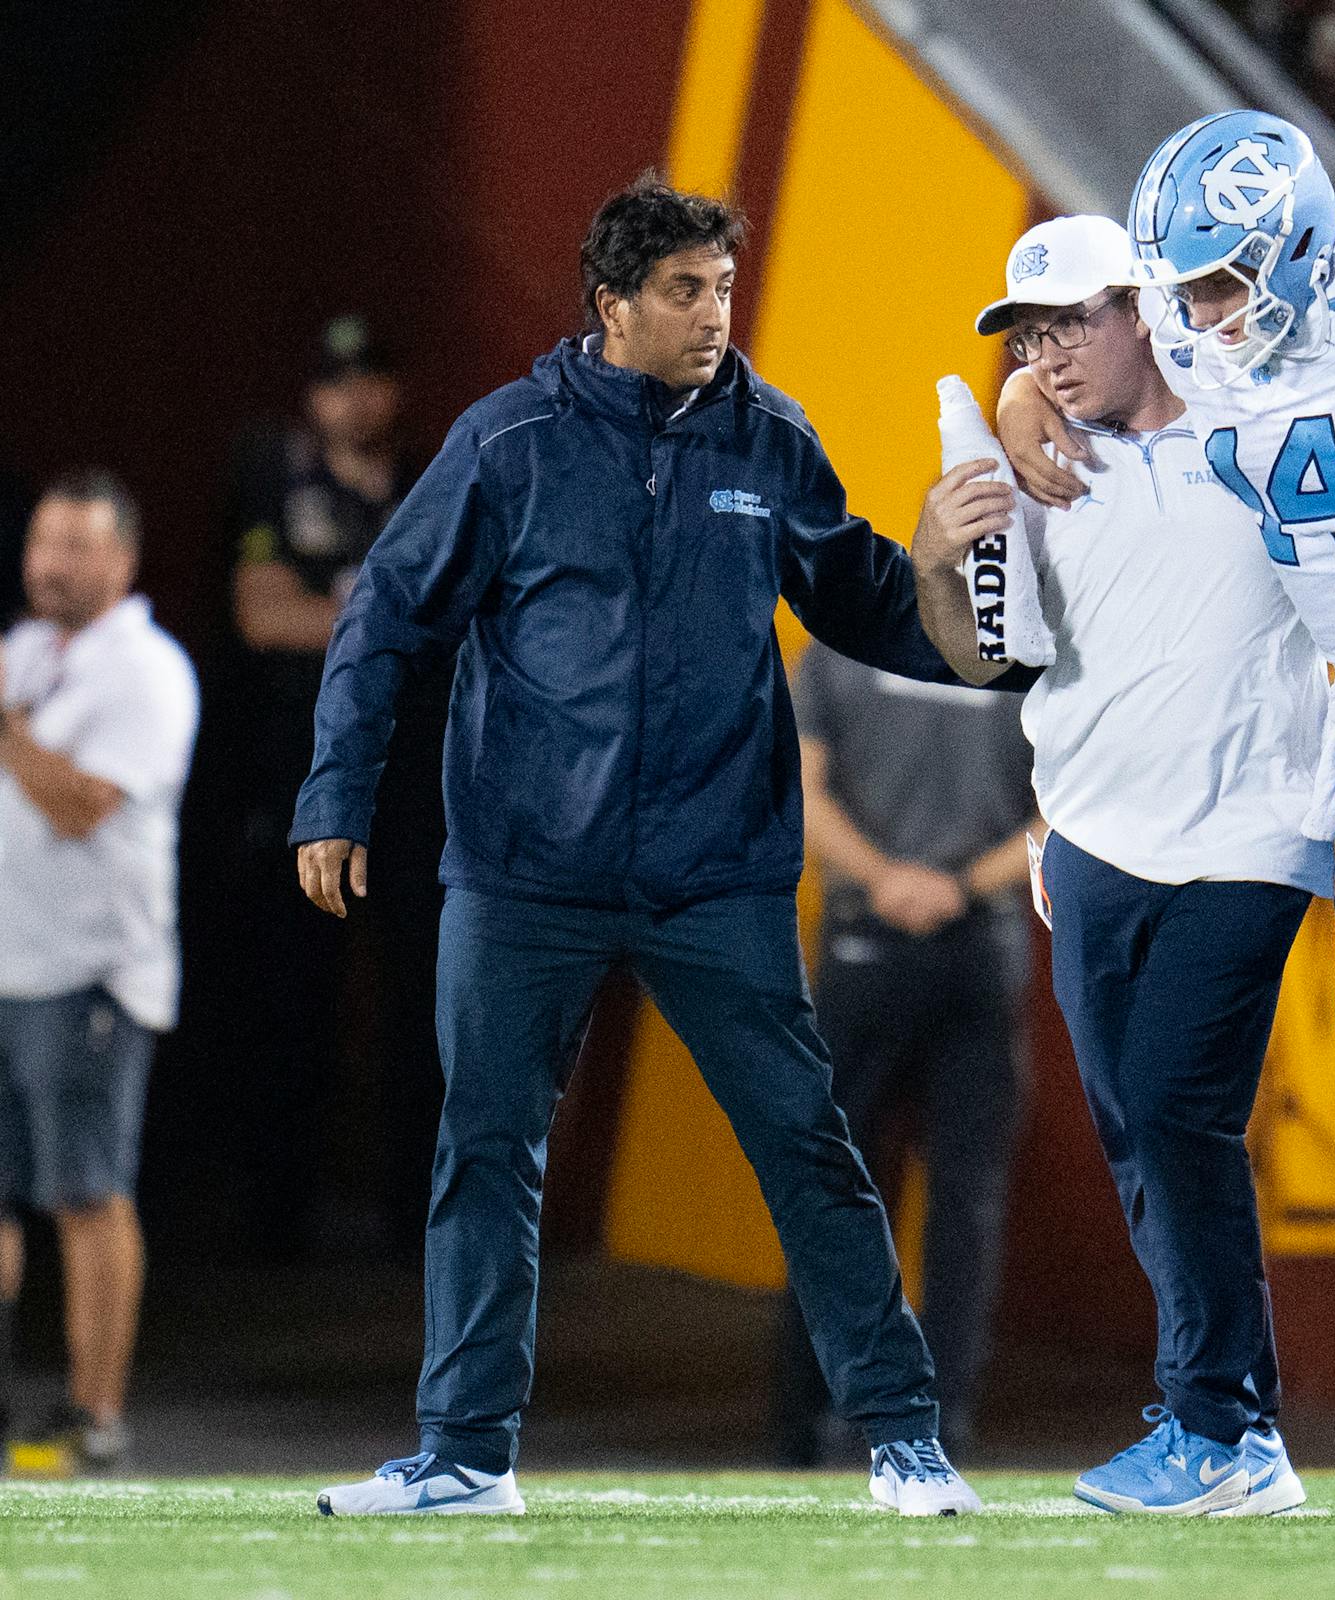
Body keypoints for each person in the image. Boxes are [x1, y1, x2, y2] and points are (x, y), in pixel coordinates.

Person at [296, 174, 984, 1518]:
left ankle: (904, 1440)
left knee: (805, 1142)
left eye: (723, 287)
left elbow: (870, 606)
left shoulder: (771, 440)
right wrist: (336, 795)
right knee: (487, 1151)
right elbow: (383, 615)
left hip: (713, 873)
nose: (714, 313)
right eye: (684, 291)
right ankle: (464, 1459)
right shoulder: (508, 445)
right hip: (522, 872)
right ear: (611, 306)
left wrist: (963, 594)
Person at [998, 111, 1335, 1265]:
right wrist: (1026, 397)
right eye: (1183, 290)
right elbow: (1106, 356)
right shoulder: (1186, 334)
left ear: (1296, 247)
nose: (1200, 315)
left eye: (1223, 283)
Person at [914, 215, 1329, 1516]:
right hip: (1088, 838)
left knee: (1176, 1112)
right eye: (1026, 335)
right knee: (1141, 1135)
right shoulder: (1024, 457)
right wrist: (943, 552)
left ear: (1141, 306)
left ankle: (1226, 1428)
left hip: (1252, 830)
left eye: (1067, 324)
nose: (1046, 353)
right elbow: (986, 657)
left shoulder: (1252, 410)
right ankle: (1220, 1415)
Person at [772, 641, 1037, 1464]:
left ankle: (809, 1421)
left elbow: (800, 790)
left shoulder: (842, 647)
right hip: (984, 941)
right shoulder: (1030, 658)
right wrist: (959, 886)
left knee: (836, 1192)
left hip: (864, 937)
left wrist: (886, 880)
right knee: (967, 1202)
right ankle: (939, 1420)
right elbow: (1064, 807)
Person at [220, 315, 444, 1260]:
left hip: (412, 780)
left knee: (423, 1003)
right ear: (312, 397)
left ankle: (413, 1219)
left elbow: (464, 615)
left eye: (371, 377)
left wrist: (352, 618)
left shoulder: (431, 481)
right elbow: (264, 616)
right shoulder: (277, 478)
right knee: (291, 997)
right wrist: (385, 623)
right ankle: (275, 1218)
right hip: (302, 772)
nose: (356, 398)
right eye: (335, 382)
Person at [0, 472, 198, 1470]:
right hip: (5, 960)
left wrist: (4, 729)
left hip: (90, 973)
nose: (52, 565)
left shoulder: (149, 671)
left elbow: (82, 804)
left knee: (85, 1191)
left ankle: (96, 1413)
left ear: (121, 559)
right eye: (42, 542)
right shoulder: (26, 653)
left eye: (76, 547)